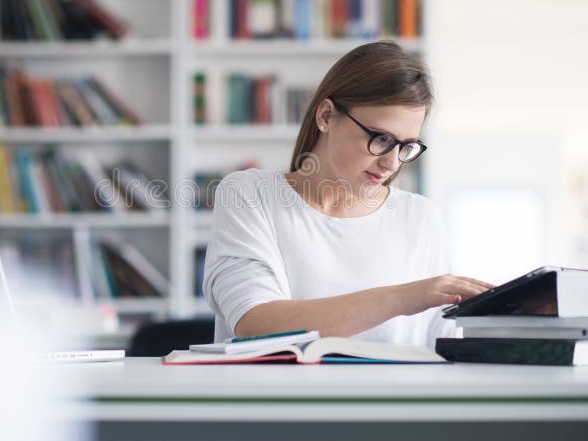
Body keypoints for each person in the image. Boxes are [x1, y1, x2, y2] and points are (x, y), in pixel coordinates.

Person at [202, 40, 493, 348]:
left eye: (406, 146)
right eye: (381, 138)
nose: (391, 162)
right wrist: (402, 297)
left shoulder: (420, 218)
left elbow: (447, 352)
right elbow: (255, 323)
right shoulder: (250, 195)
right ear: (326, 116)